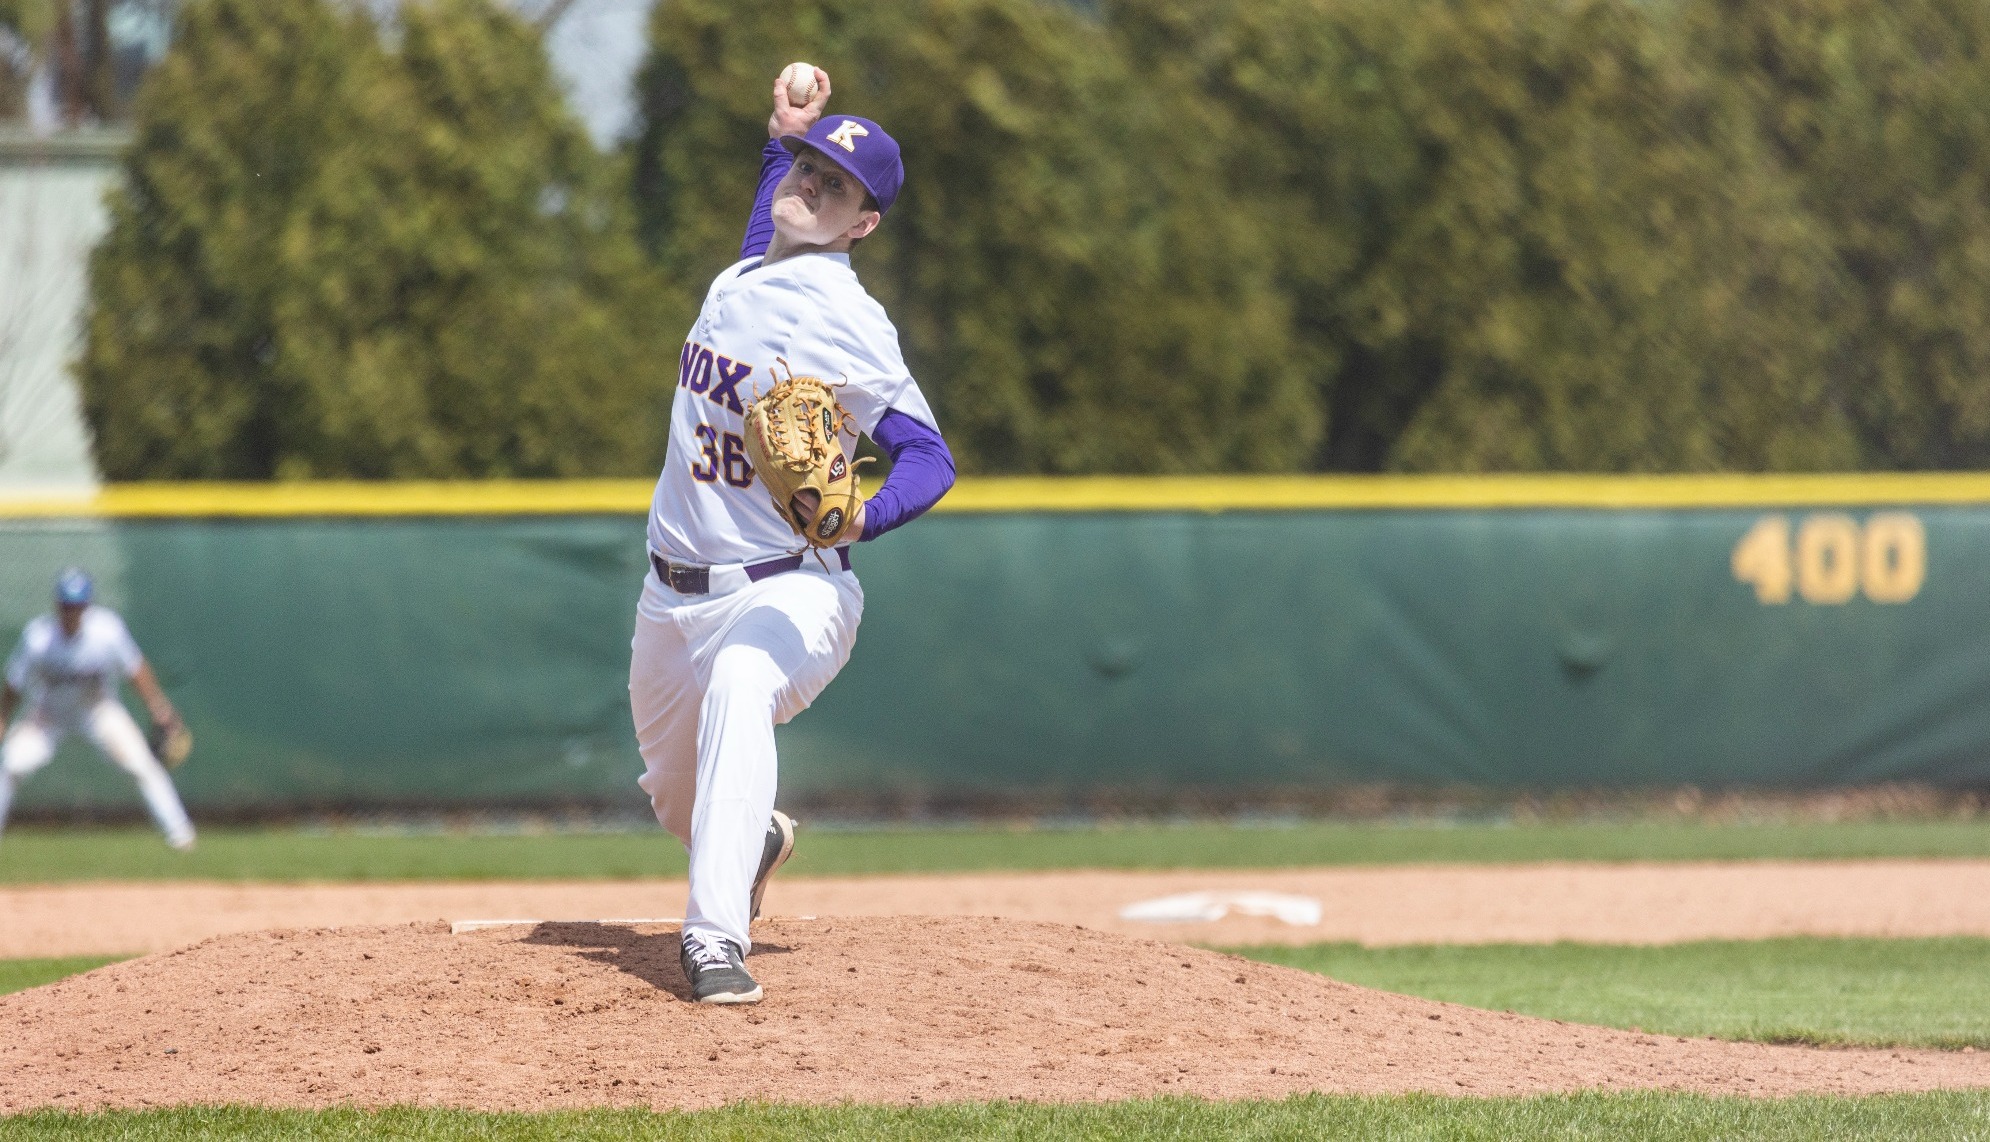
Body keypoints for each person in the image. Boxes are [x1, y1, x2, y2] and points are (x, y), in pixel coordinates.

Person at [629, 67, 955, 1004]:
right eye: (809, 167)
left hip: (790, 585)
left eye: (835, 185)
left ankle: (713, 942)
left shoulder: (849, 321)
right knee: (680, 804)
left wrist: (862, 513)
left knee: (742, 681)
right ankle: (756, 842)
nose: (811, 183)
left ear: (864, 224)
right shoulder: (741, 275)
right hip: (669, 598)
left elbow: (930, 458)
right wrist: (783, 135)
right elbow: (767, 245)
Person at [0, 568, 195, 850]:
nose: (72, 612)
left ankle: (180, 833)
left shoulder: (107, 631)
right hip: (47, 714)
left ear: (87, 606)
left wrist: (159, 708)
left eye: (78, 605)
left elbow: (136, 669)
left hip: (98, 710)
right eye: (67, 605)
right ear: (57, 605)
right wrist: (3, 717)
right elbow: (14, 683)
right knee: (10, 764)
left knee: (141, 764)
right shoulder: (38, 638)